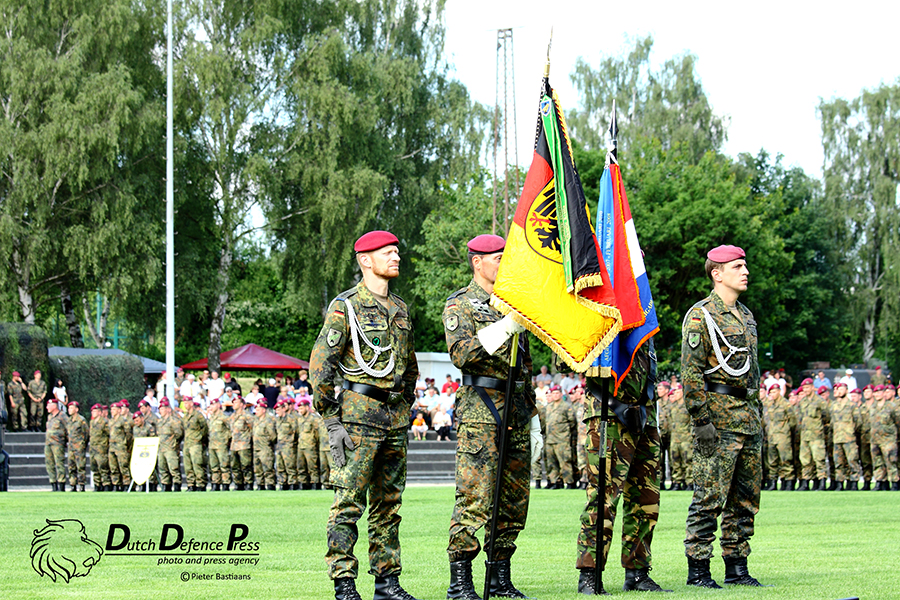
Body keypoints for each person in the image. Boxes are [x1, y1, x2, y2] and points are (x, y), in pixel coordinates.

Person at [310, 230, 420, 600]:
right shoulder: (346, 307)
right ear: (364, 259)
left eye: (397, 251)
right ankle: (344, 583)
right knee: (348, 503)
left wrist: (405, 403)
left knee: (389, 505)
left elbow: (409, 366)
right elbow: (321, 366)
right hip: (358, 419)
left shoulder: (400, 309)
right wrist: (331, 419)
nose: (396, 257)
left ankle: (387, 583)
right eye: (387, 252)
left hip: (394, 418)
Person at [441, 233, 537, 599]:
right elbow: (462, 354)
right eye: (496, 257)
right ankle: (461, 582)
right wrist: (504, 327)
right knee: (475, 495)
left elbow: (524, 367)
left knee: (513, 499)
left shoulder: (516, 303)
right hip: (481, 408)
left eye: (505, 257)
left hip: (516, 406)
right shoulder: (461, 303)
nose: (502, 263)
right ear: (476, 262)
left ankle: (499, 576)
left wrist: (534, 415)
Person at [681, 245, 764, 588]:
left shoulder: (745, 315)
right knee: (709, 496)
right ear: (717, 273)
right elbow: (691, 373)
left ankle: (737, 566)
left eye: (745, 266)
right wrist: (701, 421)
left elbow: (752, 373)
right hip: (717, 418)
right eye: (738, 267)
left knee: (745, 499)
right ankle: (699, 569)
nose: (745, 272)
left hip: (747, 417)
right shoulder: (701, 315)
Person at [576, 343, 670, 594]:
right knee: (603, 497)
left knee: (646, 498)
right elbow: (566, 359)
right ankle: (590, 574)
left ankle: (638, 572)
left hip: (644, 413)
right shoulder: (598, 308)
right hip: (607, 409)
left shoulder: (643, 310)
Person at [796, 380, 829, 490]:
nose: (805, 390)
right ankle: (806, 482)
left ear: (812, 387)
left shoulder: (820, 401)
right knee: (805, 460)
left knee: (819, 459)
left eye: (807, 387)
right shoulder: (802, 402)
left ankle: (822, 481)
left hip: (816, 435)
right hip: (805, 435)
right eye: (804, 388)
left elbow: (826, 417)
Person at [762, 384, 795, 491]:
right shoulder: (769, 404)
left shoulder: (786, 404)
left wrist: (785, 431)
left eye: (774, 392)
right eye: (771, 392)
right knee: (772, 461)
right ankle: (773, 483)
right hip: (772, 436)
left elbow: (792, 421)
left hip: (783, 436)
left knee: (785, 460)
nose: (772, 394)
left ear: (779, 391)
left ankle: (788, 482)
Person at [829, 382, 861, 490]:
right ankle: (840, 483)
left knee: (852, 461)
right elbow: (832, 422)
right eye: (838, 389)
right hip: (837, 438)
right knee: (838, 462)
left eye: (841, 389)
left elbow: (858, 422)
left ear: (846, 391)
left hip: (849, 438)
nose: (839, 391)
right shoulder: (834, 405)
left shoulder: (852, 405)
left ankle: (853, 482)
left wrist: (850, 430)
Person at [544, 385, 577, 489]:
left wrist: (564, 431)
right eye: (553, 393)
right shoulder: (549, 406)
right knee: (551, 462)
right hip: (550, 439)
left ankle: (569, 482)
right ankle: (555, 482)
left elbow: (572, 422)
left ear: (561, 394)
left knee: (565, 461)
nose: (555, 395)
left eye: (557, 393)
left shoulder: (566, 406)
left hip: (562, 438)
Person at [667, 383, 693, 491]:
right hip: (674, 437)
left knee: (688, 460)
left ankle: (690, 482)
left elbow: (691, 423)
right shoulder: (673, 407)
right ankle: (677, 482)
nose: (675, 394)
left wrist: (691, 435)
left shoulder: (687, 406)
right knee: (675, 461)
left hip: (686, 438)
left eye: (677, 392)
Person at [157, 399, 184, 491]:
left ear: (168, 409)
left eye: (163, 409)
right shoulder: (160, 421)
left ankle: (177, 485)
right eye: (160, 409)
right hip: (162, 448)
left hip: (171, 448)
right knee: (162, 468)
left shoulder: (174, 420)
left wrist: (174, 443)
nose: (161, 411)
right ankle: (166, 486)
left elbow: (179, 434)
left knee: (174, 468)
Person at [182, 398, 209, 491]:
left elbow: (204, 428)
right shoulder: (185, 416)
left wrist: (200, 438)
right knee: (188, 465)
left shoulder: (198, 415)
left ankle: (200, 484)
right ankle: (191, 484)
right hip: (187, 443)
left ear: (191, 403)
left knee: (197, 464)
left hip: (195, 443)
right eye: (184, 403)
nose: (185, 405)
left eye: (187, 403)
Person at [207, 398, 232, 490]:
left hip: (221, 445)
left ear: (218, 405)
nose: (211, 407)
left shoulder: (224, 417)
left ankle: (225, 484)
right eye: (211, 405)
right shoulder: (211, 417)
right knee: (213, 466)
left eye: (213, 405)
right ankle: (215, 483)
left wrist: (226, 439)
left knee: (224, 465)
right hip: (212, 444)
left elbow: (230, 429)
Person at [230, 396, 255, 490]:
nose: (234, 404)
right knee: (235, 466)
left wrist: (250, 440)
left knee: (246, 466)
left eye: (236, 402)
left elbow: (253, 428)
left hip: (244, 444)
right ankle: (238, 484)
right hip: (234, 445)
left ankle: (248, 483)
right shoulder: (232, 416)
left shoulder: (247, 416)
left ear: (241, 405)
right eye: (233, 403)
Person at [252, 398, 277, 490]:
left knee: (268, 468)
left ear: (263, 410)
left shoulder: (268, 420)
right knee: (258, 469)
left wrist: (267, 443)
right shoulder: (256, 420)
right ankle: (260, 485)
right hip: (256, 448)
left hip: (265, 447)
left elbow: (273, 435)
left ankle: (270, 485)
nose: (256, 411)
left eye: (258, 410)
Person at [108, 400, 133, 491]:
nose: (112, 411)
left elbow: (128, 434)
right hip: (112, 447)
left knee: (123, 467)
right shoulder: (111, 421)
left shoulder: (123, 420)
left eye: (114, 409)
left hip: (121, 447)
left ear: (119, 410)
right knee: (113, 467)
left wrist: (126, 444)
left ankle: (126, 484)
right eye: (111, 409)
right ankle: (116, 484)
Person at [296, 398, 320, 490]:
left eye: (302, 408)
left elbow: (317, 434)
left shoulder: (313, 419)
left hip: (310, 446)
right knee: (301, 467)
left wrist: (314, 443)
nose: (300, 410)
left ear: (307, 407)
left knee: (312, 467)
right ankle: (303, 484)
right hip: (301, 446)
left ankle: (315, 484)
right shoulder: (299, 419)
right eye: (299, 409)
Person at [274, 399, 299, 490]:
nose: (277, 411)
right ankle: (282, 483)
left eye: (279, 409)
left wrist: (292, 442)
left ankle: (292, 484)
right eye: (276, 410)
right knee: (280, 466)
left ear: (284, 409)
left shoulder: (291, 419)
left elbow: (296, 431)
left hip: (288, 446)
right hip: (279, 446)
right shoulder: (277, 420)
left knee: (290, 466)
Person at [44, 398, 68, 491]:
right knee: (49, 464)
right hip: (48, 443)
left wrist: (65, 441)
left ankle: (61, 484)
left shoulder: (62, 416)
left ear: (54, 406)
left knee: (59, 464)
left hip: (58, 444)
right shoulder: (50, 417)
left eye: (48, 405)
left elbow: (68, 429)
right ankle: (53, 484)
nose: (47, 408)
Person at [66, 401, 88, 491]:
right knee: (71, 466)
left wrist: (82, 444)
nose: (69, 410)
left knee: (80, 466)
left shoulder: (81, 420)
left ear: (76, 409)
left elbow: (86, 433)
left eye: (71, 408)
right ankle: (73, 484)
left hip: (79, 447)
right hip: (71, 447)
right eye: (69, 408)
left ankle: (82, 485)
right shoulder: (69, 420)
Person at [89, 403, 111, 491]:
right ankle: (97, 485)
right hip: (93, 448)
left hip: (101, 448)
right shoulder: (92, 422)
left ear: (99, 412)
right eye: (92, 411)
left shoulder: (104, 422)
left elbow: (109, 434)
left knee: (103, 468)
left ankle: (106, 485)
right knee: (94, 468)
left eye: (94, 411)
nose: (92, 413)